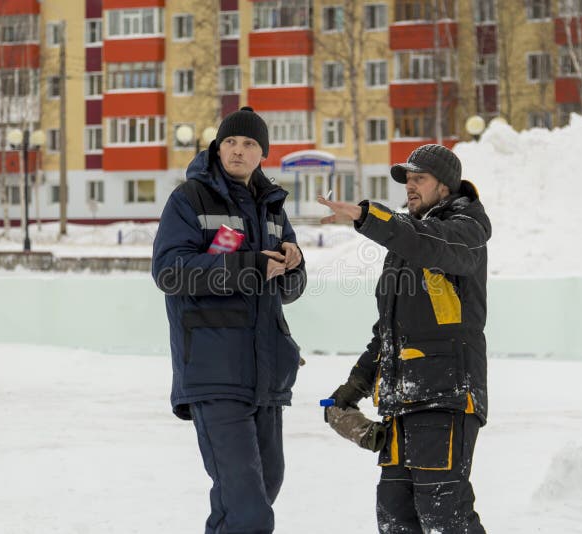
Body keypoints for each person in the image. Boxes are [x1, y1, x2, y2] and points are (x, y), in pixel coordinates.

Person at [318, 144, 491, 533]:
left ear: (445, 187)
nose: (410, 187)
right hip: (400, 404)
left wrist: (368, 216)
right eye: (407, 180)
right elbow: (388, 333)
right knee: (396, 517)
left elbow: (428, 241)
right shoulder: (405, 242)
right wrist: (353, 387)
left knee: (444, 518)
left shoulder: (467, 230)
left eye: (420, 179)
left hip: (444, 397)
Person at [152, 106, 306, 534]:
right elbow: (169, 271)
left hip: (266, 374)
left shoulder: (273, 207)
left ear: (263, 154)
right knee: (248, 509)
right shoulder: (189, 199)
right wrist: (251, 265)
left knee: (263, 488)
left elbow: (289, 288)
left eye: (249, 143)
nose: (238, 150)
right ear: (218, 148)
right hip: (214, 371)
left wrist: (292, 266)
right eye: (230, 142)